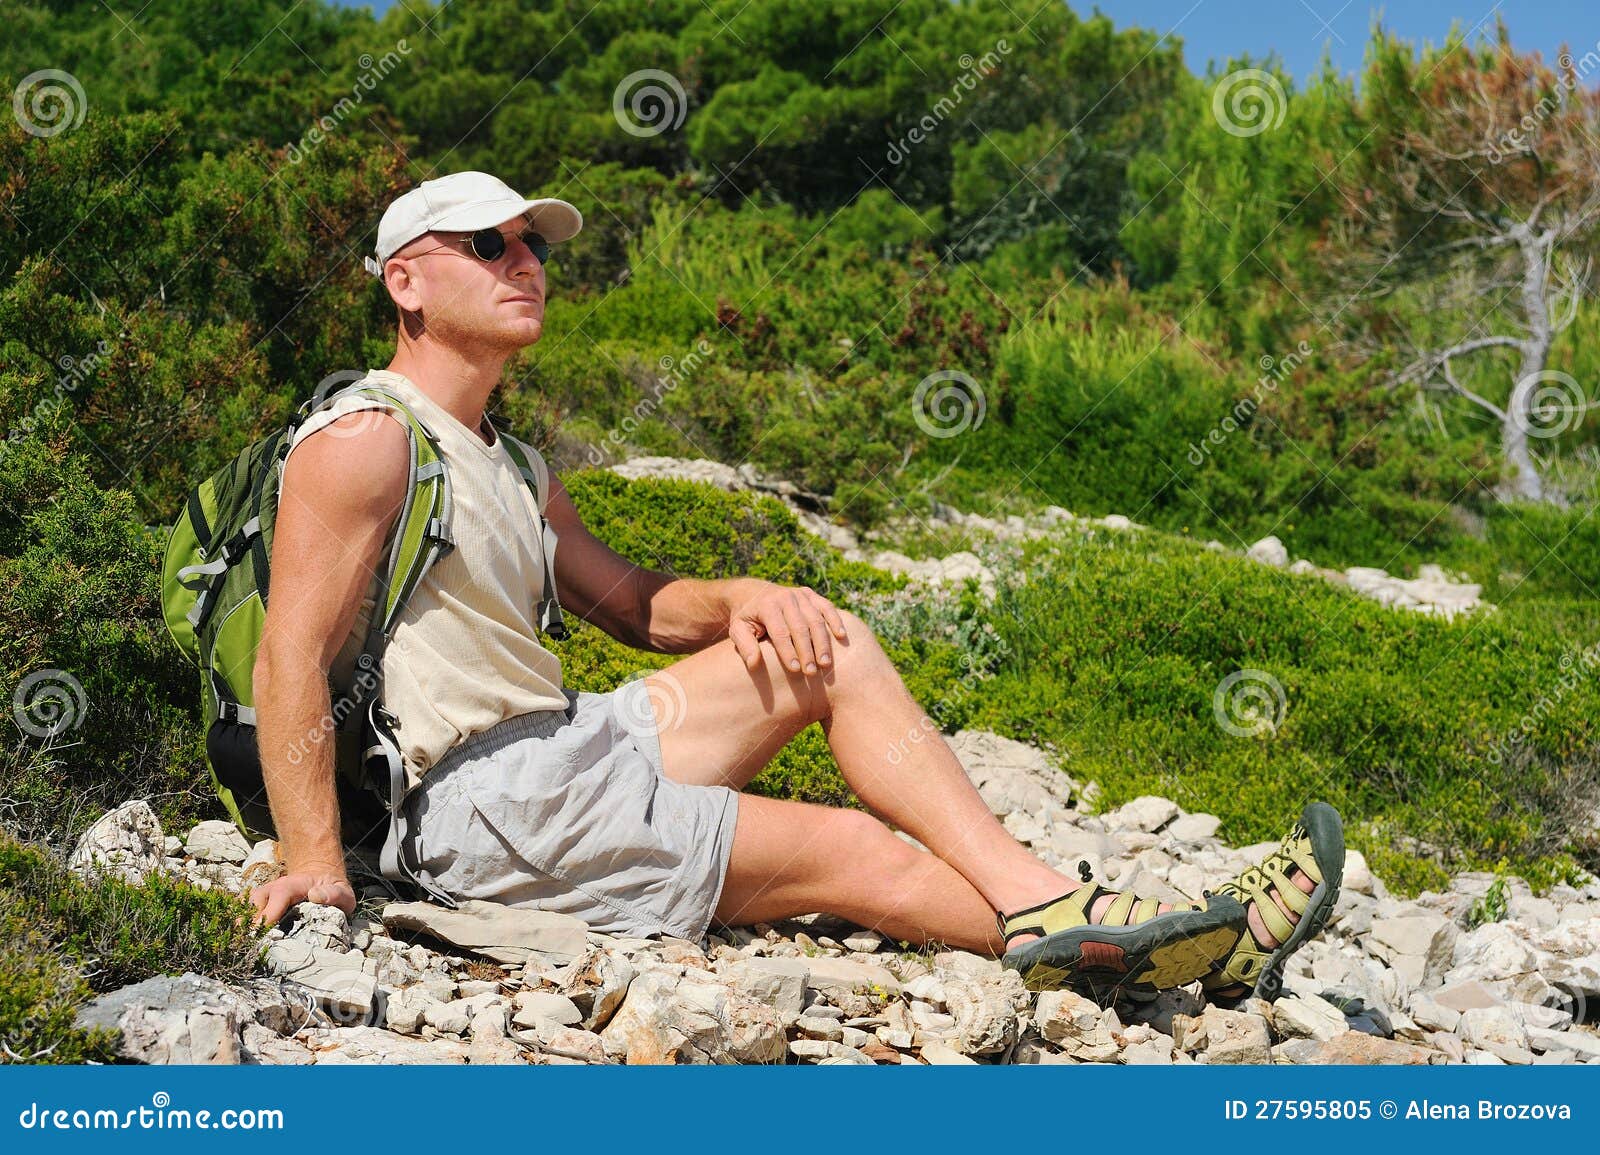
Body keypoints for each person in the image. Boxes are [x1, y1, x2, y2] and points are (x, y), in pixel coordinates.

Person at [247, 170, 1345, 1003]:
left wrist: (742, 598)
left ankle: (1094, 917)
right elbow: (289, 655)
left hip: (574, 742)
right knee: (857, 855)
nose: (524, 262)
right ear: (405, 281)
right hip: (487, 806)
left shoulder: (514, 461)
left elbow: (630, 606)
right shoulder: (366, 440)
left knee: (829, 642)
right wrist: (314, 867)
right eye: (489, 245)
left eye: (533, 245)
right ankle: (1158, 942)